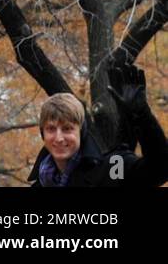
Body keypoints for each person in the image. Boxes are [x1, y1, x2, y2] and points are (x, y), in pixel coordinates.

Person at [28, 64, 168, 188]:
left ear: (81, 132)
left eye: (67, 128)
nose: (59, 138)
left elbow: (160, 169)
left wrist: (142, 114)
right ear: (43, 134)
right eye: (51, 129)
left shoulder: (113, 168)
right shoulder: (39, 184)